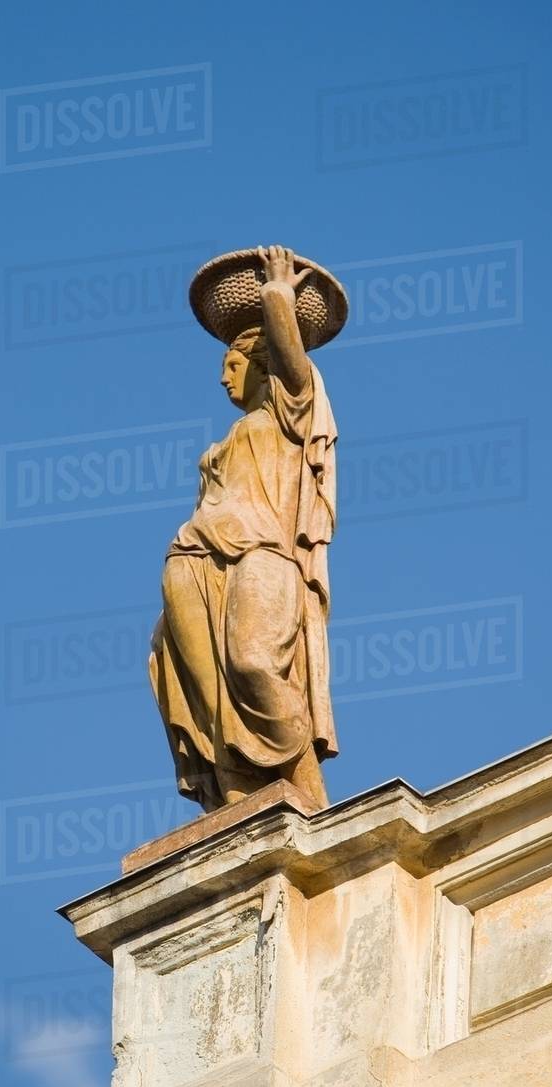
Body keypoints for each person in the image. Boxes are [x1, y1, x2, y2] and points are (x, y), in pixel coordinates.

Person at [149, 245, 338, 810]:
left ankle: (311, 798)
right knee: (206, 696)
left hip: (264, 555)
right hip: (193, 559)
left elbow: (293, 361)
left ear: (260, 363)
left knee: (254, 663)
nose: (222, 378)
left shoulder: (293, 413)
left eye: (231, 365)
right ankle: (236, 802)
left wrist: (277, 294)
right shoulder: (231, 436)